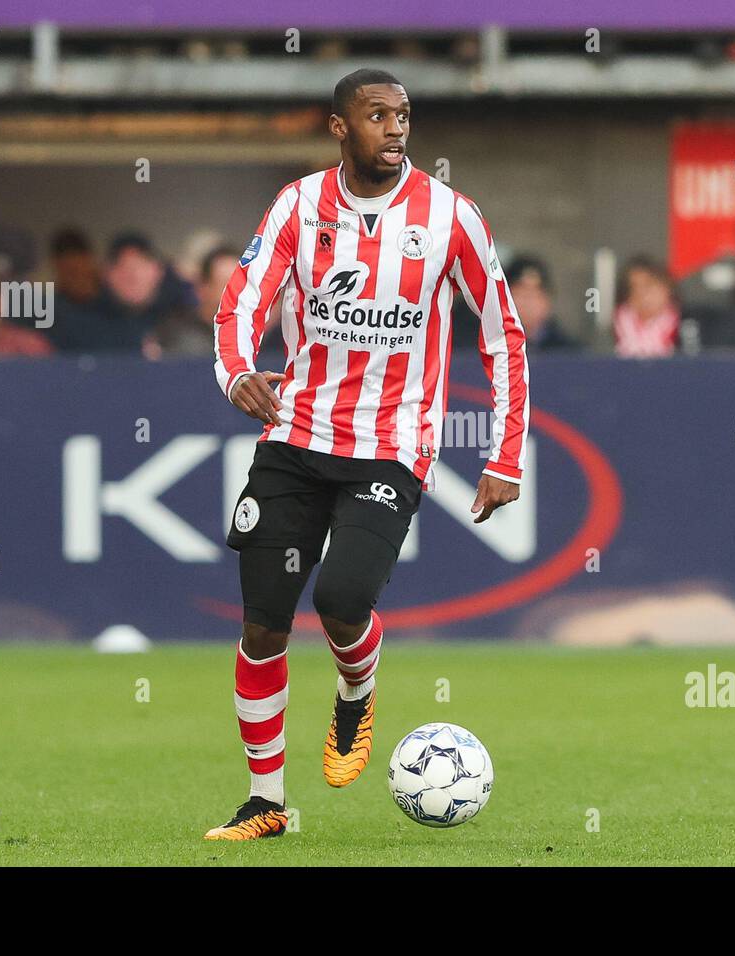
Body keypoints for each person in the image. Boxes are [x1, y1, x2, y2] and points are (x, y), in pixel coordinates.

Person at [205, 68, 529, 841]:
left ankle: (358, 688)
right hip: (296, 435)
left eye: (404, 115)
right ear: (339, 127)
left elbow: (501, 334)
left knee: (343, 601)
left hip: (391, 447)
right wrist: (236, 373)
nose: (395, 128)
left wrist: (504, 453)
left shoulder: (451, 216)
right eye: (377, 115)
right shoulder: (297, 205)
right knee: (263, 624)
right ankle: (265, 803)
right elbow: (241, 300)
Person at [504, 256, 578, 351]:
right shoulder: (489, 344)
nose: (528, 302)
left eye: (535, 294)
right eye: (520, 293)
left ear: (548, 300)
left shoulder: (568, 352)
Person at [614, 257, 681, 357]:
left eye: (648, 285)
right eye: (633, 288)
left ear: (666, 287)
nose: (640, 293)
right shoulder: (609, 330)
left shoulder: (686, 326)